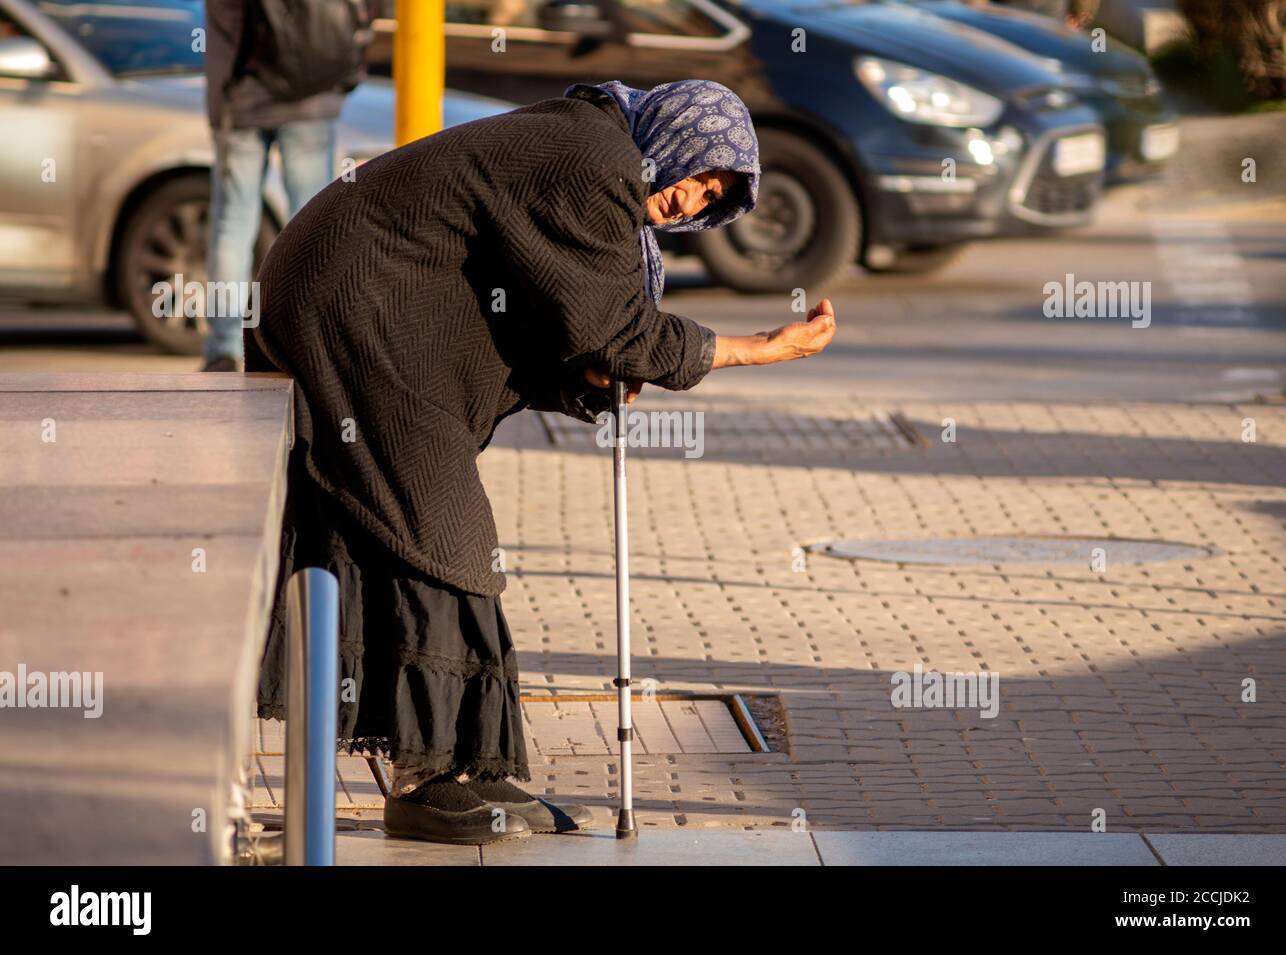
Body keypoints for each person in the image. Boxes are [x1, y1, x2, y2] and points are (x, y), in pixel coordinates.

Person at [246, 79, 837, 845]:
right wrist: (759, 349)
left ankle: (466, 767)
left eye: (713, 199)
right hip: (352, 304)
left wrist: (594, 371)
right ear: (679, 138)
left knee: (397, 519)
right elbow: (619, 329)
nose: (691, 203)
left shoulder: (595, 149)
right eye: (701, 176)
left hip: (365, 303)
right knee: (440, 527)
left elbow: (556, 315)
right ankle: (433, 779)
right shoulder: (599, 162)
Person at [200, 0, 368, 372]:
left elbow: (227, 30)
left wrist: (222, 99)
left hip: (243, 102)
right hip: (310, 102)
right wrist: (345, 75)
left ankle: (225, 347)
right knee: (309, 226)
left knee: (232, 225)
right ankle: (304, 341)